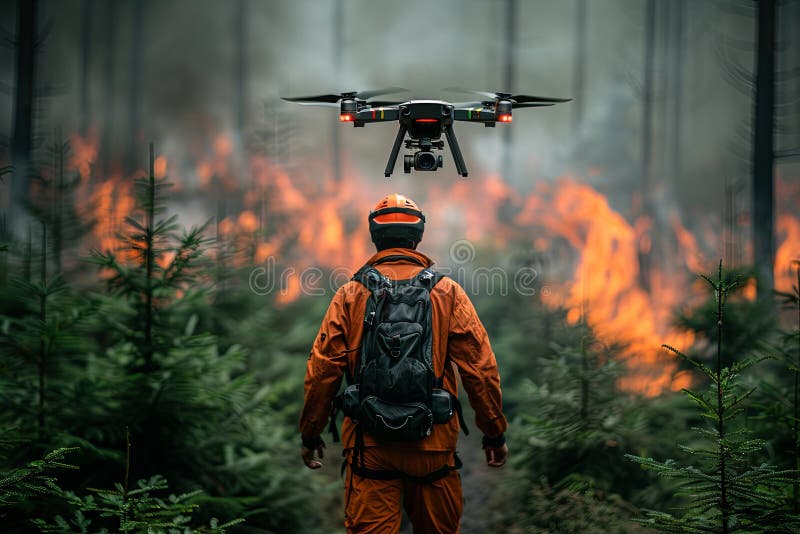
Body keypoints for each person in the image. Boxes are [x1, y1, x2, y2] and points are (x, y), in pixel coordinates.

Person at [299, 193, 508, 534]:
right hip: (433, 446)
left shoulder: (350, 294)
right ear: (418, 237)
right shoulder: (448, 292)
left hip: (370, 447)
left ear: (375, 236)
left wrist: (310, 433)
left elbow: (323, 371)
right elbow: (480, 370)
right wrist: (494, 433)